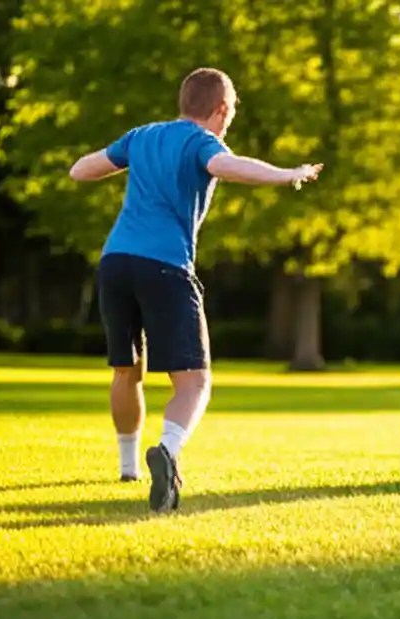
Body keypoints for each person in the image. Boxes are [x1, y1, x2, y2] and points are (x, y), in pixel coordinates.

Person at [68, 67, 323, 512]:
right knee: (194, 381)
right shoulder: (202, 143)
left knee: (126, 368)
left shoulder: (141, 136)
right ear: (221, 110)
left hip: (115, 263)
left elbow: (80, 170)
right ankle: (166, 452)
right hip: (165, 267)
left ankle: (128, 466)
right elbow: (228, 165)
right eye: (232, 113)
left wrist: (128, 164)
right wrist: (288, 174)